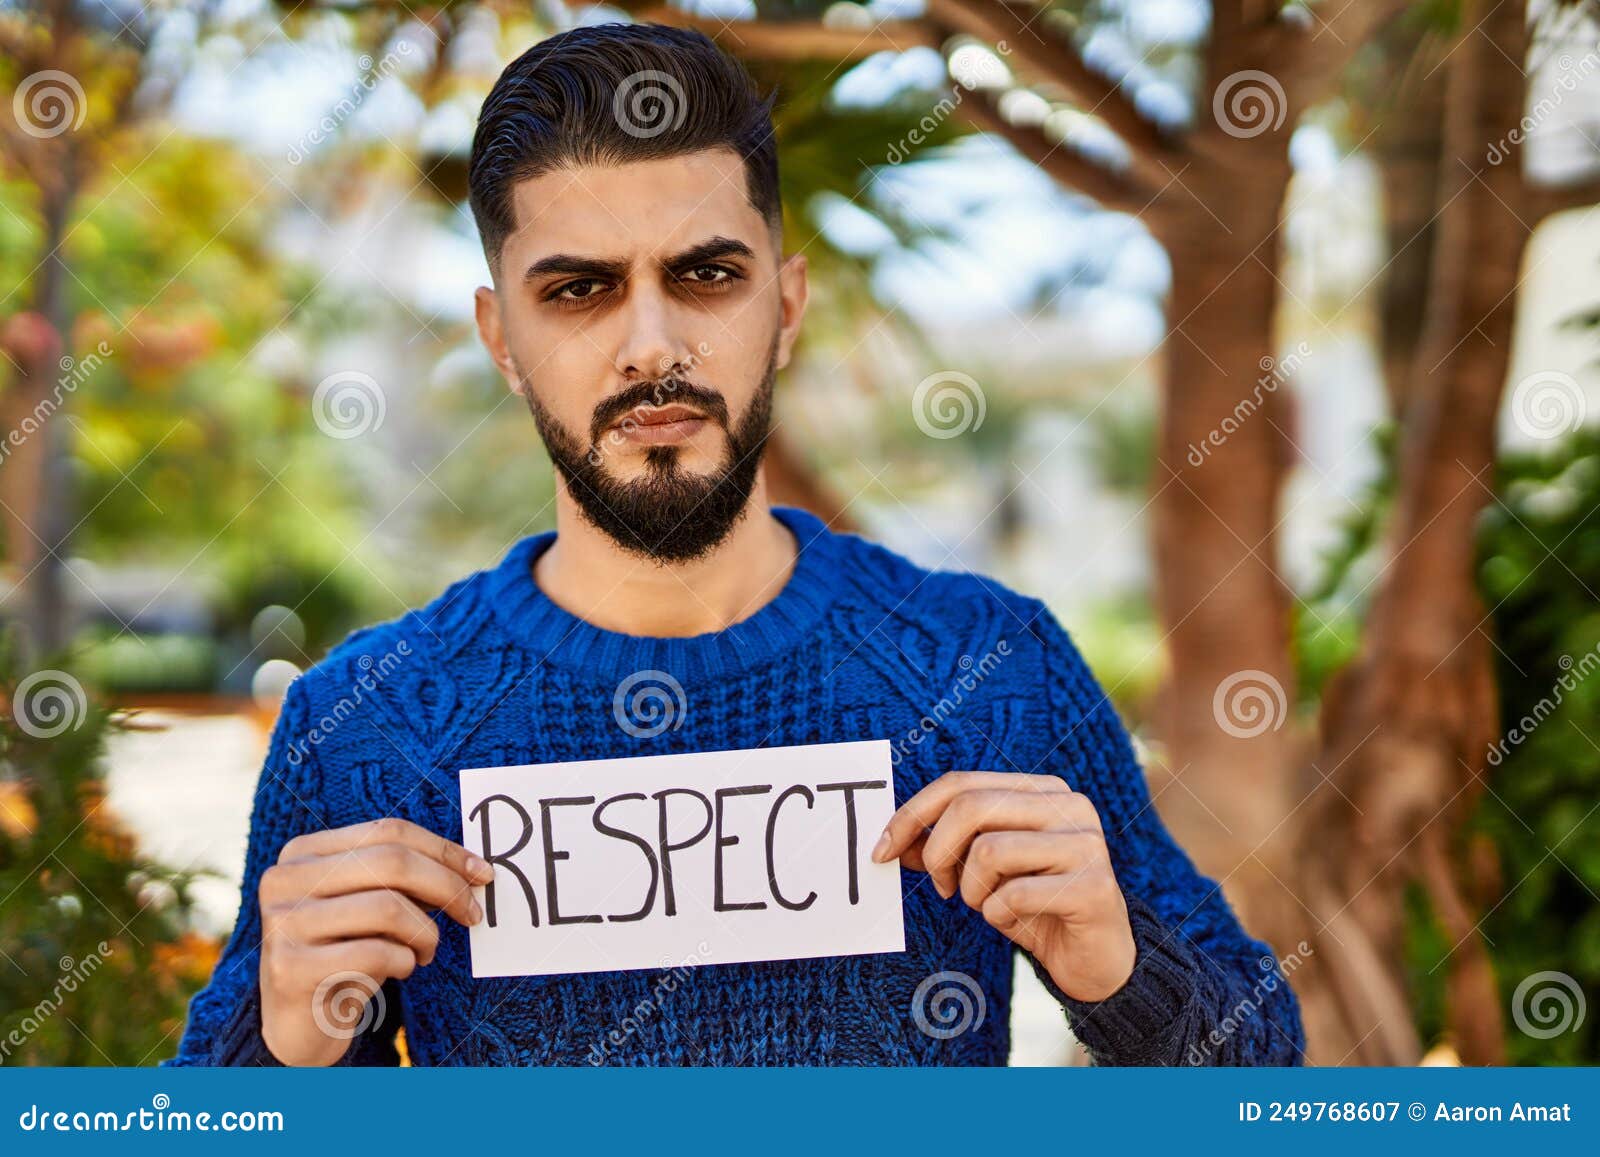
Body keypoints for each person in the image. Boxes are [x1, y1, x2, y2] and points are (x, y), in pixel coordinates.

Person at [168, 22, 1305, 1066]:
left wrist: (1120, 967)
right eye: (579, 290)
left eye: (706, 275)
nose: (652, 344)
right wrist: (283, 1050)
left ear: (787, 306)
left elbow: (1263, 1081)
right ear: (500, 338)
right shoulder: (359, 727)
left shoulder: (996, 667)